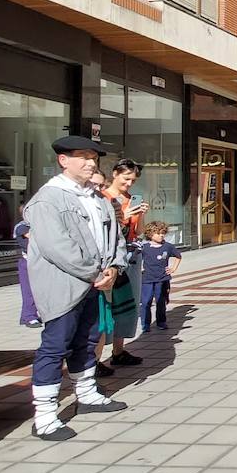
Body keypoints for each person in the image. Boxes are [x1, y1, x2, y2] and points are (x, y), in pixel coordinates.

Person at [23, 136, 129, 441]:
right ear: (63, 160)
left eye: (93, 157)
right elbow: (57, 246)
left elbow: (116, 238)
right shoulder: (49, 198)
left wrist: (114, 267)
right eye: (82, 157)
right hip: (64, 286)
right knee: (55, 345)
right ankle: (44, 414)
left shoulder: (98, 199)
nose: (90, 163)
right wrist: (95, 272)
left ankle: (87, 393)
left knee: (88, 340)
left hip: (96, 284)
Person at [94, 159, 147, 376]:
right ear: (114, 174)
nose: (129, 184)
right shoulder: (102, 198)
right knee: (105, 308)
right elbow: (101, 230)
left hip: (130, 254)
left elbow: (140, 232)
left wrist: (141, 214)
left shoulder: (131, 199)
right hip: (109, 258)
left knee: (128, 304)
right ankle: (95, 358)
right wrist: (123, 217)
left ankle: (119, 350)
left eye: (133, 180)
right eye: (126, 178)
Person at [139, 220, 181, 331]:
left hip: (162, 279)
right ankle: (145, 324)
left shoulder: (168, 246)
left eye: (163, 233)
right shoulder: (144, 247)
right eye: (158, 233)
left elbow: (178, 256)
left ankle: (161, 322)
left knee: (161, 301)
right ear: (150, 234)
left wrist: (173, 268)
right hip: (147, 279)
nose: (161, 235)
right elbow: (137, 259)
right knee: (146, 302)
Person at [13, 207, 41, 328]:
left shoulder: (35, 225)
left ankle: (27, 316)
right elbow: (34, 237)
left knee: (37, 290)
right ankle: (29, 316)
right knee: (28, 291)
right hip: (27, 261)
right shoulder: (22, 226)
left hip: (36, 261)